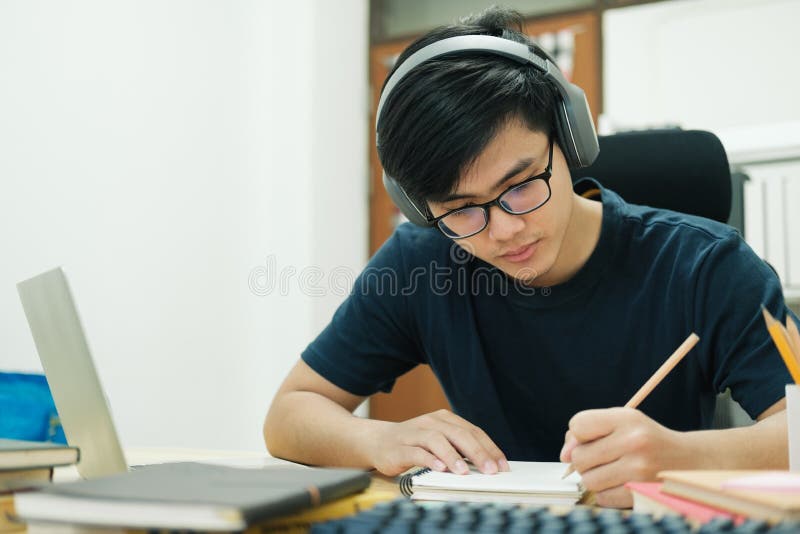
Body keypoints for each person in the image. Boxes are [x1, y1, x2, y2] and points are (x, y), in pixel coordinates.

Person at [263, 7, 796, 508]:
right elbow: (289, 414)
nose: (504, 230)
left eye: (518, 185)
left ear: (568, 138)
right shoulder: (420, 264)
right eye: (461, 210)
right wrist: (376, 440)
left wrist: (683, 457)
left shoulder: (703, 265)